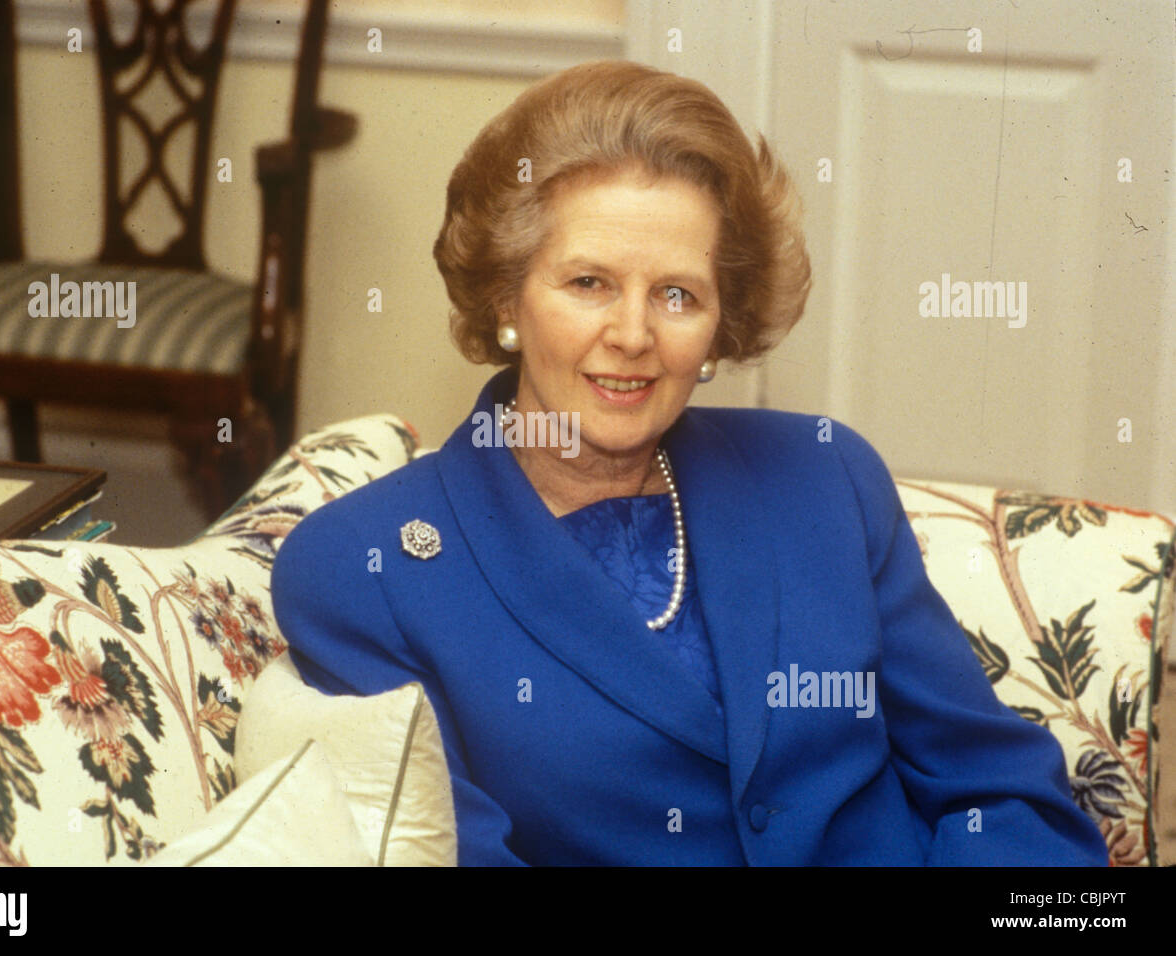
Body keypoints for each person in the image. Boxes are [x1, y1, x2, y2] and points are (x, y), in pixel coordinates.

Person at [271, 60, 1108, 866]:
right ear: (506, 298)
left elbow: (1000, 788)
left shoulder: (826, 479)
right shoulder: (364, 571)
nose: (634, 335)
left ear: (720, 324)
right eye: (590, 282)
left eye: (678, 294)